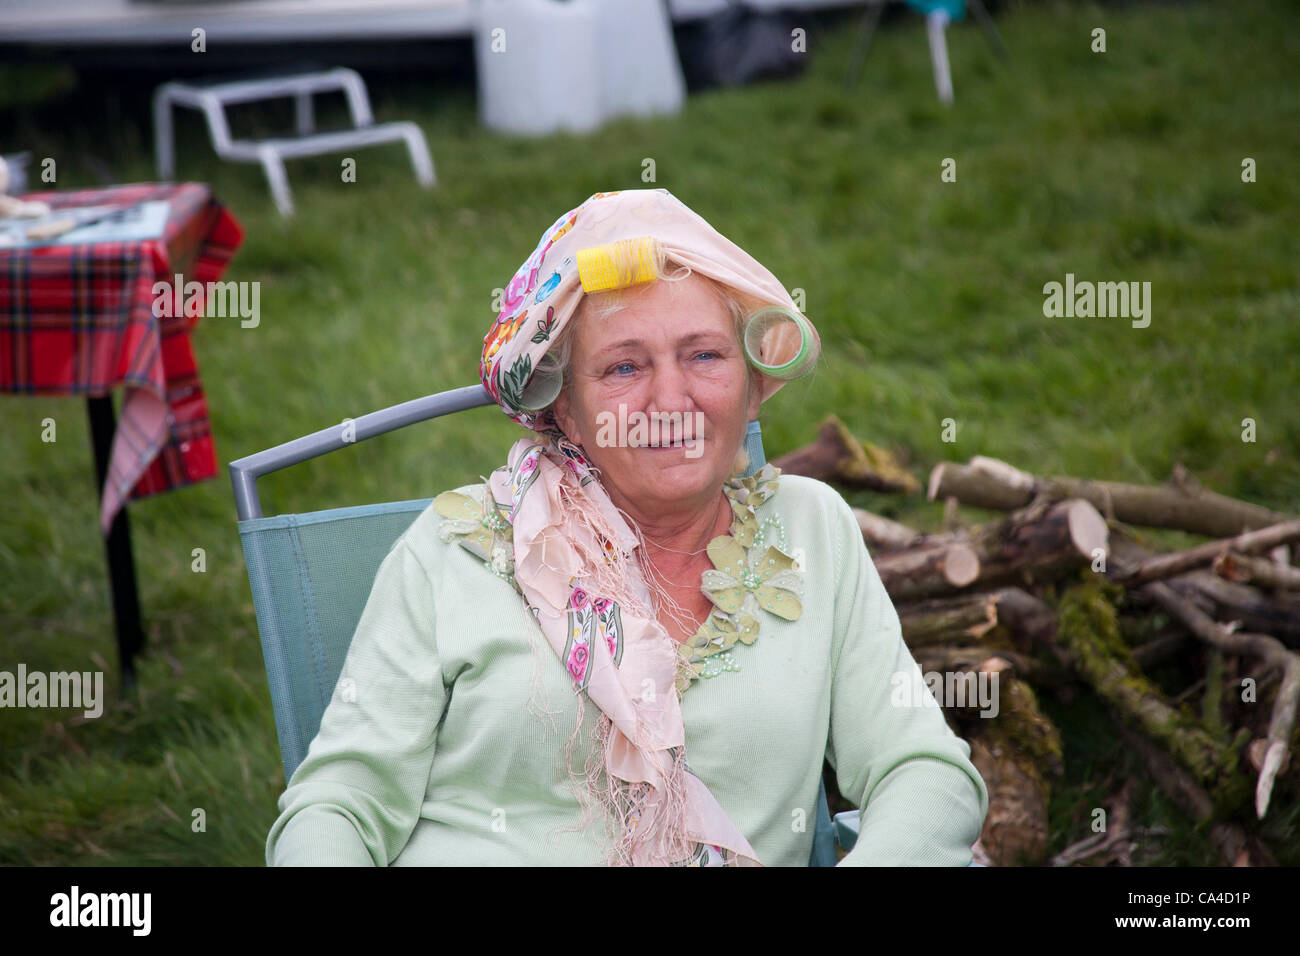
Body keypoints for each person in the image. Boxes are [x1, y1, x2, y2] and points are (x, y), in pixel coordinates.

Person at [266, 188, 989, 866]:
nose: (670, 398)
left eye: (704, 355)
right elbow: (340, 804)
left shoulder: (810, 529)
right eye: (623, 368)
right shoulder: (454, 549)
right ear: (566, 409)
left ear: (751, 386)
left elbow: (923, 769)